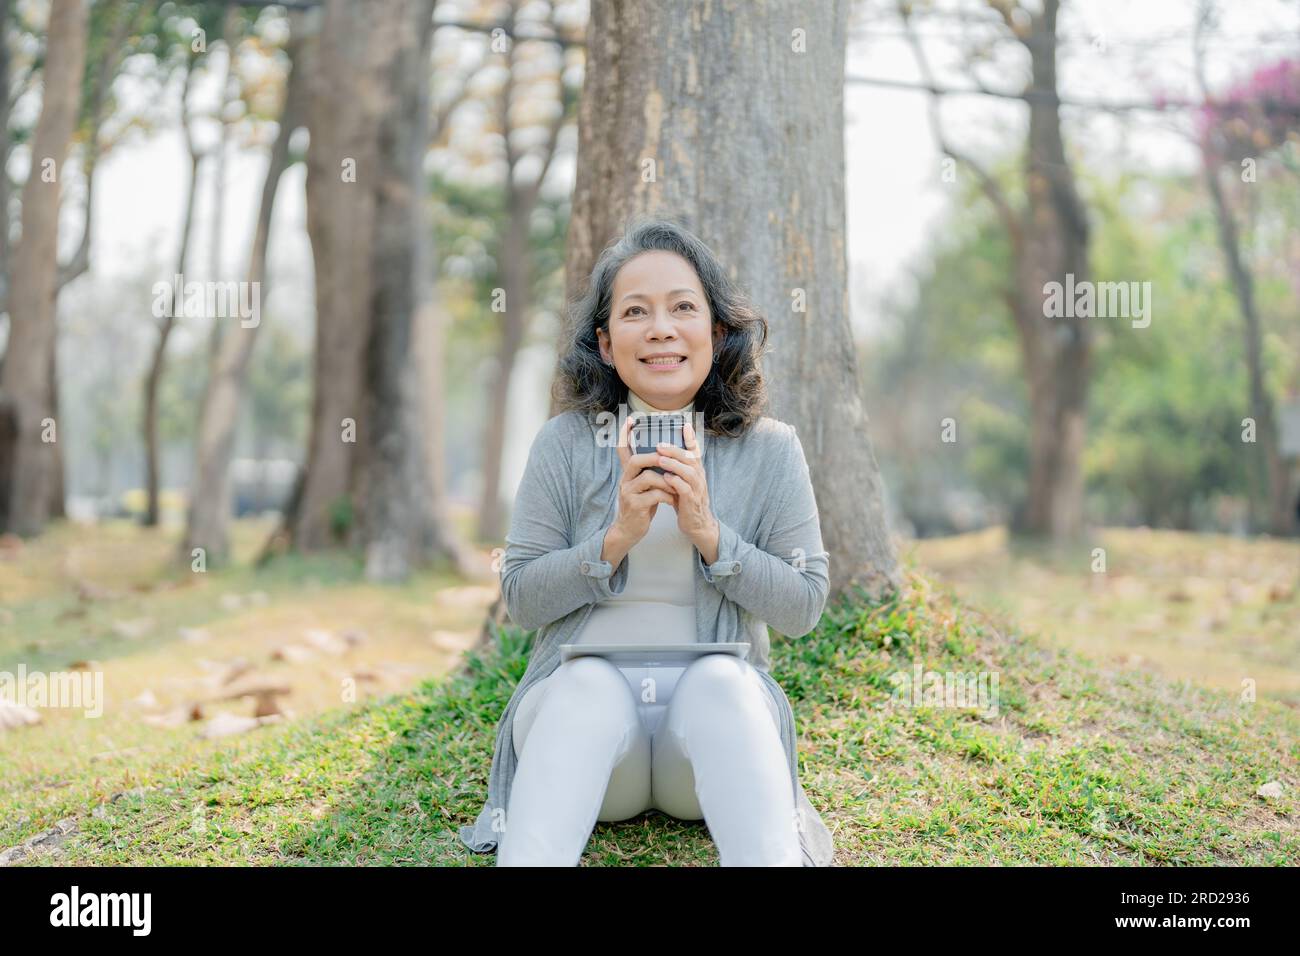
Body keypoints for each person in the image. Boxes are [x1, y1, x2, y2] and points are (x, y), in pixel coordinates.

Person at [458, 215, 835, 866]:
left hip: (706, 742)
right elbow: (521, 598)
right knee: (589, 684)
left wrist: (710, 536)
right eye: (636, 312)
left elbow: (804, 606)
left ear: (716, 333)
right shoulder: (566, 445)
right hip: (594, 743)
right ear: (606, 344)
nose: (661, 328)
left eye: (682, 307)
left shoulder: (770, 450)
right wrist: (613, 541)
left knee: (721, 678)